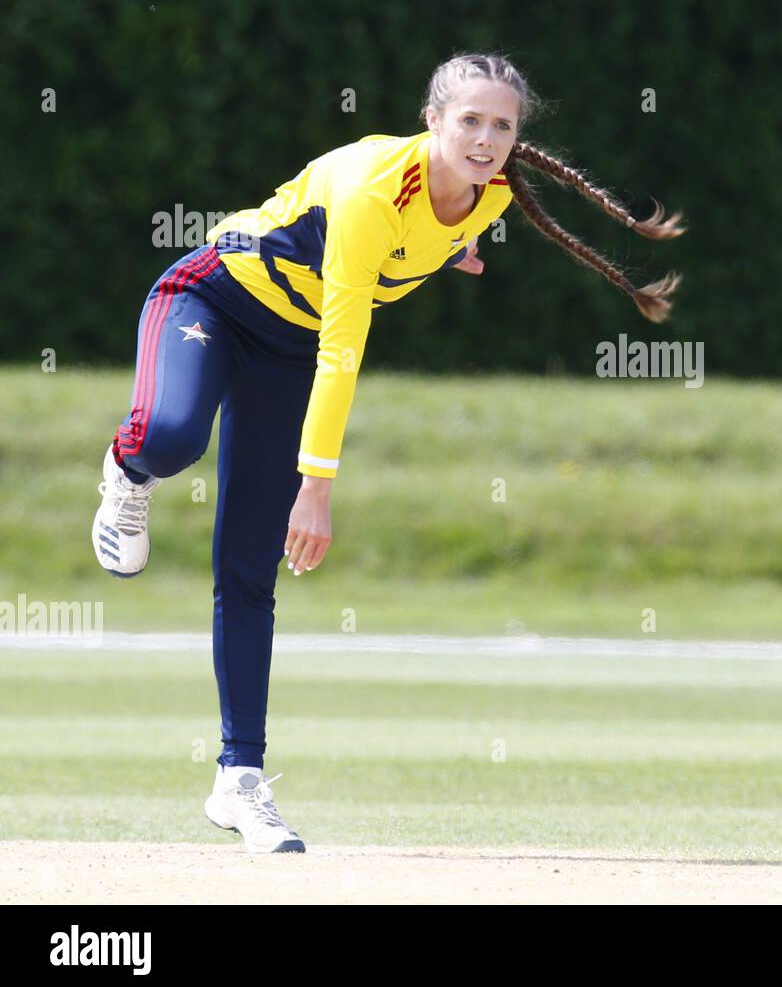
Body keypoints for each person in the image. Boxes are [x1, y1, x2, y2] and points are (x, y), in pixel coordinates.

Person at [91, 52, 685, 852]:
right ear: (431, 120)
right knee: (171, 440)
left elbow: (425, 247)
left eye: (501, 124)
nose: (484, 138)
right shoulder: (376, 186)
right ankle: (125, 474)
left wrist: (449, 252)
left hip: (286, 355)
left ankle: (239, 780)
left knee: (248, 566)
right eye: (468, 120)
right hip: (212, 300)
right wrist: (318, 485)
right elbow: (343, 344)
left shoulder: (492, 195)